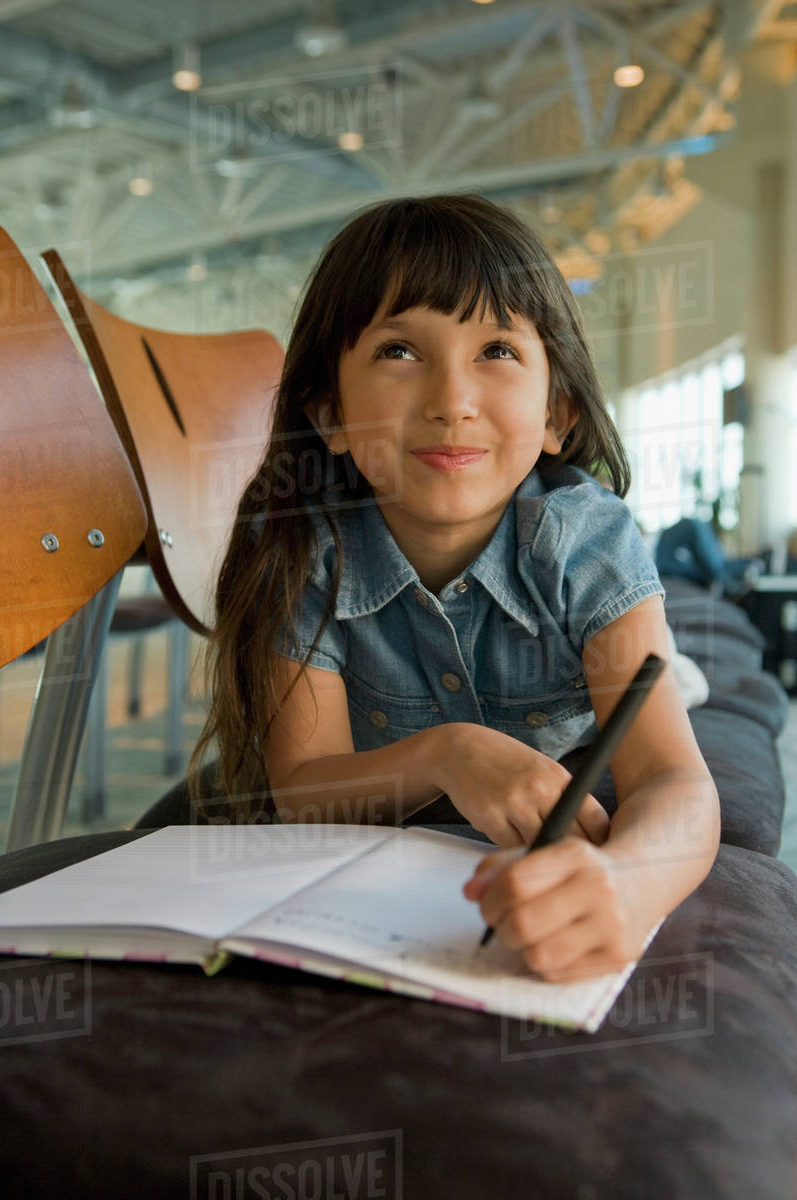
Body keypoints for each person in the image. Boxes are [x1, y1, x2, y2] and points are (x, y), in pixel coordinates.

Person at [193, 194, 720, 983]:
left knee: (658, 677)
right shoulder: (304, 546)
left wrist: (629, 884)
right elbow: (304, 787)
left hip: (584, 696)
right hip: (438, 757)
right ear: (330, 412)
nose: (451, 401)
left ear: (557, 413)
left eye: (498, 351)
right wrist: (451, 753)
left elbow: (674, 781)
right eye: (400, 351)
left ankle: (666, 658)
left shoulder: (584, 538)